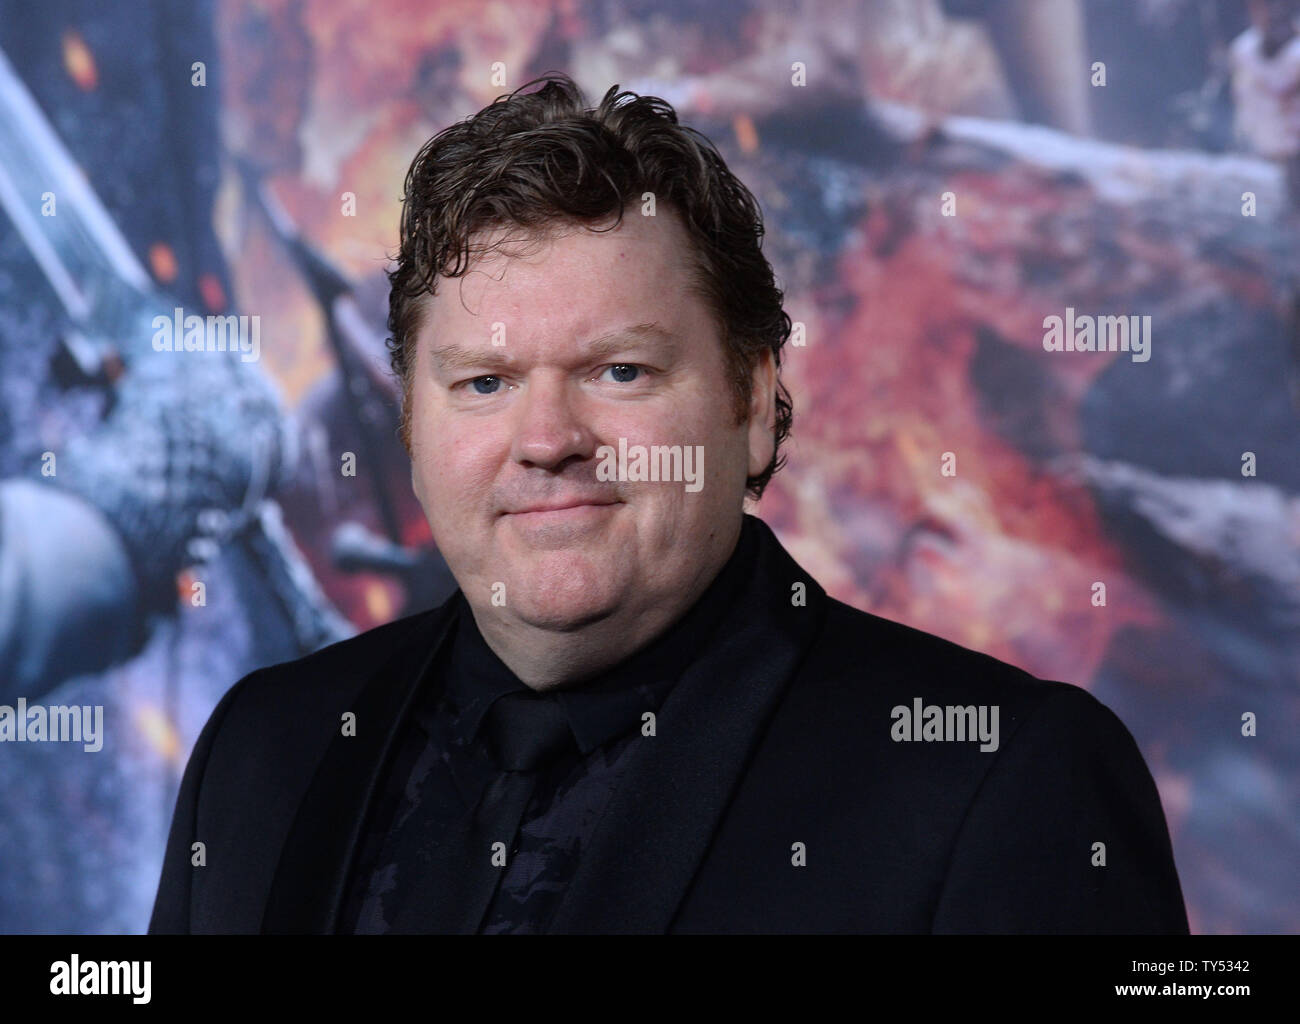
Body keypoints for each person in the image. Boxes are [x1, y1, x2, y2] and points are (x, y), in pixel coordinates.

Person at [149, 73, 1189, 934]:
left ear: (755, 404)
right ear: (414, 430)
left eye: (620, 372)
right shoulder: (261, 748)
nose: (547, 440)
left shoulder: (1009, 782)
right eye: (483, 383)